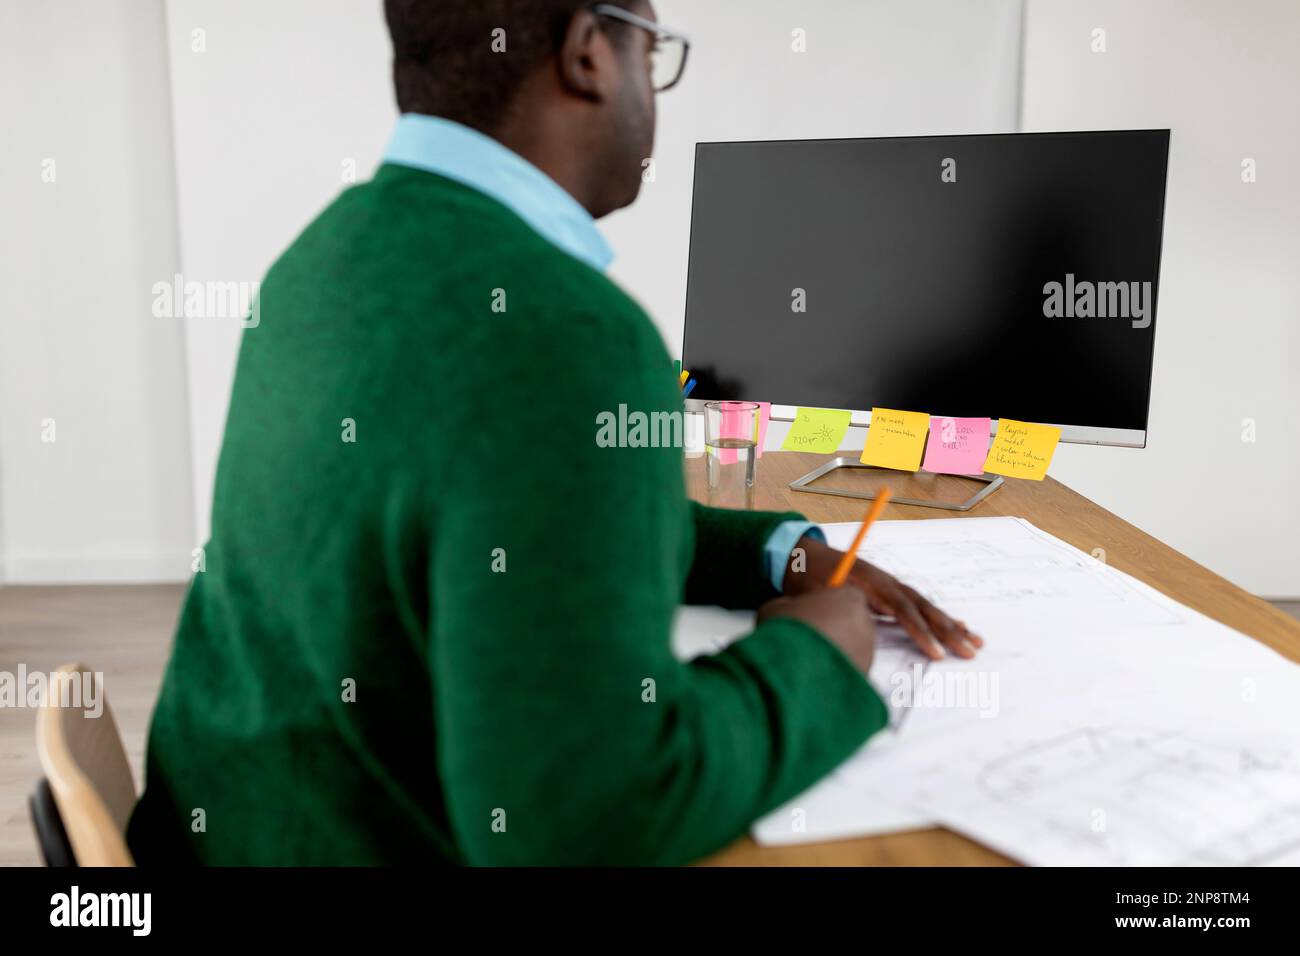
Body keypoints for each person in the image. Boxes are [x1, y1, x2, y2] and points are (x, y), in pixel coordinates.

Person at [128, 0, 981, 866]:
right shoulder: (567, 335)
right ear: (587, 55)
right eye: (654, 55)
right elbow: (592, 820)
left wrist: (777, 553)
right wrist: (818, 658)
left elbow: (514, 532)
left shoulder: (320, 260)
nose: (655, 92)